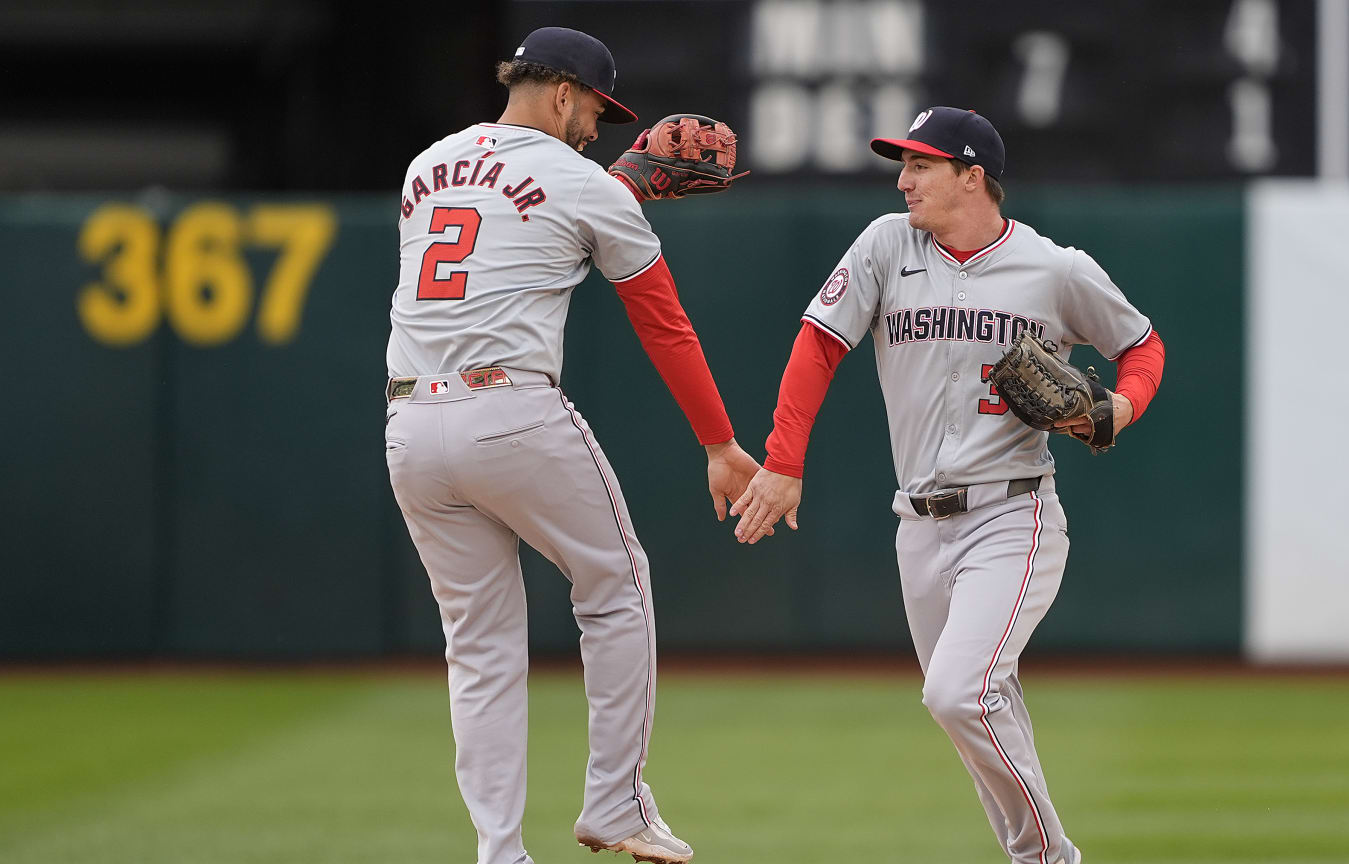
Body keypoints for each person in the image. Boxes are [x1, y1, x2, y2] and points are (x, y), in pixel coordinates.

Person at [729, 106, 1167, 864]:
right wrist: (784, 461)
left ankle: (1052, 858)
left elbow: (1142, 344)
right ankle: (1033, 858)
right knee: (981, 708)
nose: (904, 181)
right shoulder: (885, 246)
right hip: (917, 525)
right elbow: (817, 346)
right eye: (902, 165)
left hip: (1012, 513)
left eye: (920, 165)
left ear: (973, 176)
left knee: (957, 695)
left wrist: (1122, 406)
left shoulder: (1054, 268)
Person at [384, 26, 758, 864]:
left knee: (477, 646)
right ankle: (616, 805)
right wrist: (720, 443)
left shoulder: (425, 164)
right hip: (509, 414)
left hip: (410, 424)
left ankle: (498, 851)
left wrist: (611, 187)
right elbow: (664, 323)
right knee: (618, 586)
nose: (599, 126)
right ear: (561, 93)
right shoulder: (587, 183)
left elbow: (504, 225)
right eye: (594, 108)